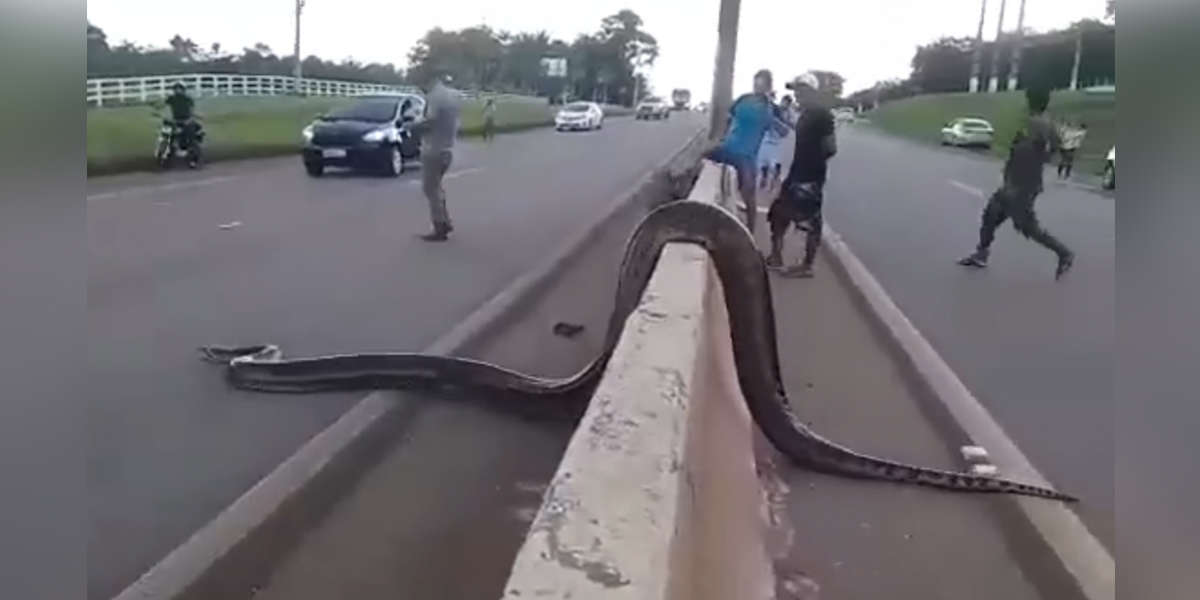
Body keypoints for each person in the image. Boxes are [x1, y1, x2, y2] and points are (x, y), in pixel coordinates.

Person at [958, 87, 1074, 280]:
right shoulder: (1044, 124)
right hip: (1017, 181)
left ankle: (1064, 253)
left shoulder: (1036, 124)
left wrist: (1034, 154)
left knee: (1028, 227)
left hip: (1021, 185)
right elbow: (1055, 149)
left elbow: (1036, 149)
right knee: (990, 215)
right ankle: (981, 254)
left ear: (1030, 101)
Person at [764, 73, 836, 279]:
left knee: (811, 221)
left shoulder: (821, 114)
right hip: (797, 173)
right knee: (778, 213)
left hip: (809, 176)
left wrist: (813, 165)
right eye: (795, 90)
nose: (796, 94)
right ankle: (775, 256)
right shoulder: (805, 113)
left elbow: (830, 147)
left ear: (810, 91)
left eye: (800, 90)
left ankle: (807, 265)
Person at [704, 69, 790, 232]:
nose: (758, 88)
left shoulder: (771, 107)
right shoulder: (743, 99)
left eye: (762, 85)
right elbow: (728, 118)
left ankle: (750, 231)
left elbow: (784, 131)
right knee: (702, 155)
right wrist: (721, 137)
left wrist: (771, 120)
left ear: (768, 87)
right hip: (729, 147)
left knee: (749, 194)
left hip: (747, 156)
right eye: (756, 84)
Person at [410, 72, 462, 242]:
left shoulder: (435, 97)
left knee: (430, 188)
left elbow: (431, 121)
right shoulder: (453, 95)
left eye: (421, 84)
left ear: (428, 80)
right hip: (448, 148)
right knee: (436, 188)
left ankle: (440, 226)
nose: (421, 89)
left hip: (434, 148)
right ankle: (445, 221)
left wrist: (413, 127)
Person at [757, 93, 792, 191]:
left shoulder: (785, 114)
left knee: (774, 164)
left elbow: (786, 129)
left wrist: (777, 123)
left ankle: (772, 182)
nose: (784, 104)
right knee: (763, 163)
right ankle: (764, 181)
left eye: (786, 103)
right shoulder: (773, 109)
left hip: (775, 142)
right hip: (767, 139)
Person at [162, 82, 202, 151]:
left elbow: (192, 110)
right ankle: (171, 145)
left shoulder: (187, 99)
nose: (177, 91)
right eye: (176, 89)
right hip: (176, 120)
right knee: (169, 131)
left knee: (189, 132)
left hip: (186, 120)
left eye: (179, 89)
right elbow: (163, 106)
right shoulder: (171, 98)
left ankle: (190, 148)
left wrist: (192, 117)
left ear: (183, 90)